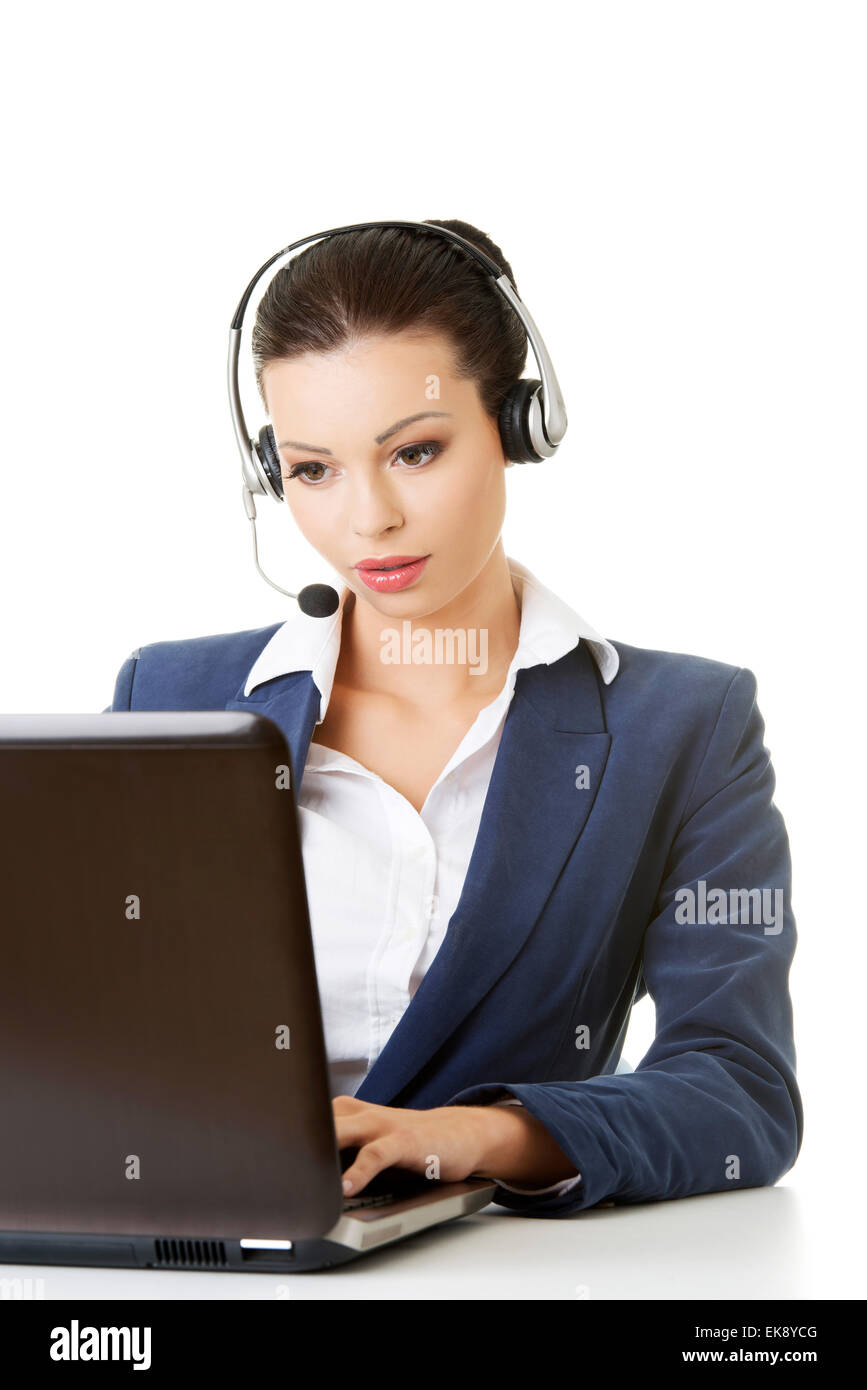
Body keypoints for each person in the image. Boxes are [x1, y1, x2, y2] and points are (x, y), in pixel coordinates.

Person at [107, 219, 803, 1214]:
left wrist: (466, 1137)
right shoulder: (167, 699)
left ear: (517, 431)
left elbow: (744, 1094)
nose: (369, 519)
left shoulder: (683, 726)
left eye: (416, 451)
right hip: (180, 1259)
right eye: (312, 469)